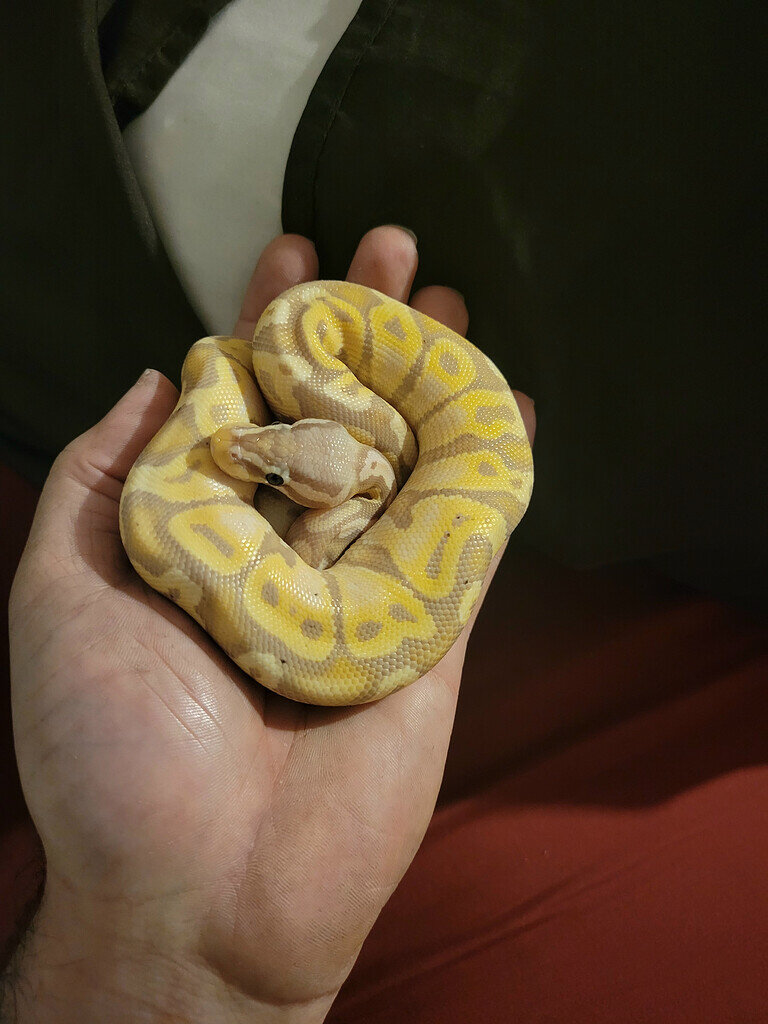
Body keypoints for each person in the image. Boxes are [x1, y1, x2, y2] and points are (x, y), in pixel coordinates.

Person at [5, 226, 535, 1023]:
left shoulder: (328, 438)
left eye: (276, 468)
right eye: (274, 452)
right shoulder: (333, 425)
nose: (245, 451)